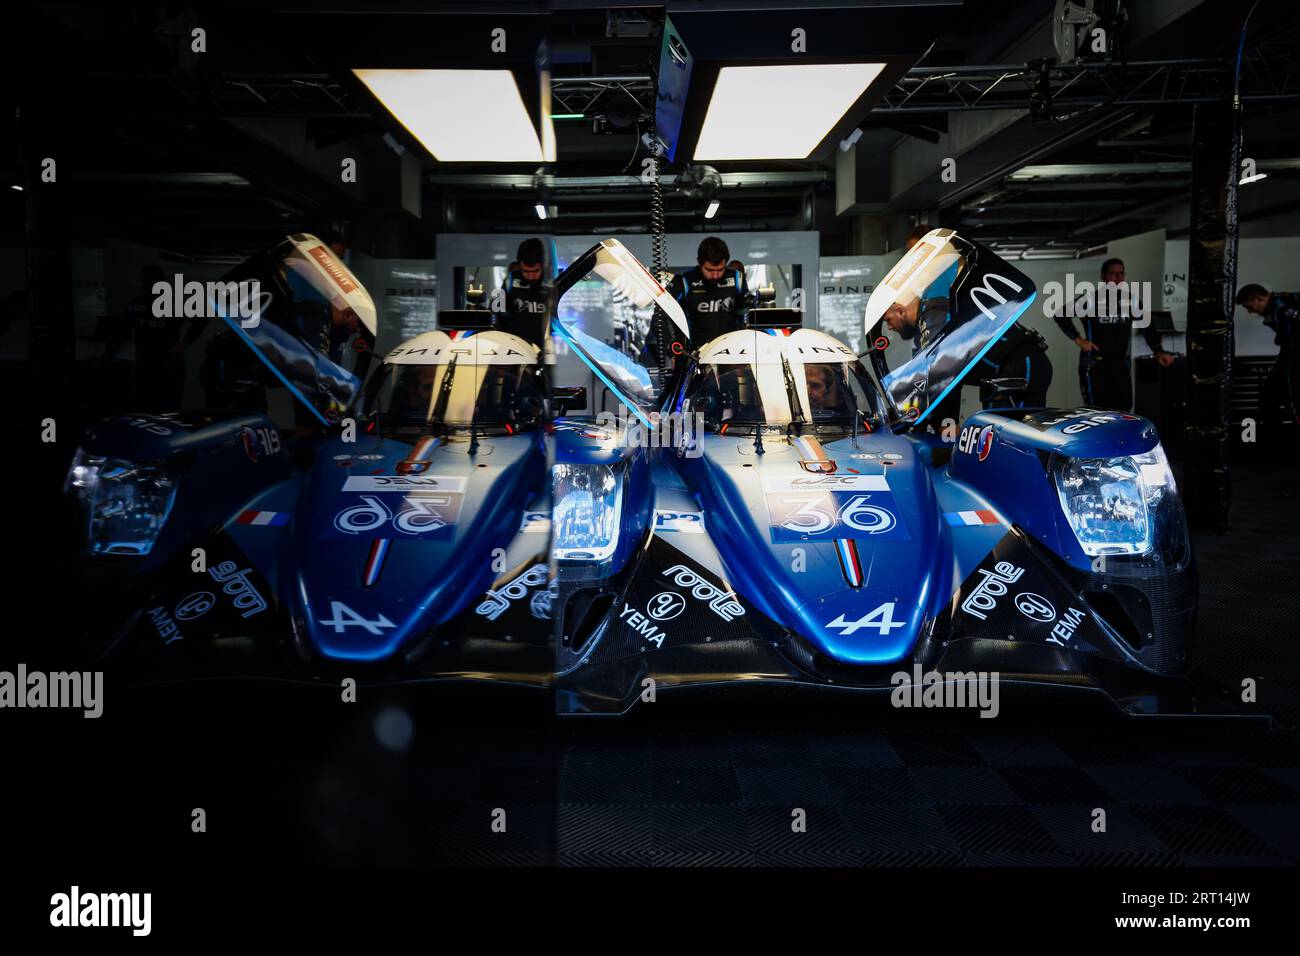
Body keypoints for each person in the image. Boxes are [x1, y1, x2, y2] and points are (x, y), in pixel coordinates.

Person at [1054, 257, 1175, 411]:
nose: (1117, 278)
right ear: (1103, 276)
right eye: (1113, 274)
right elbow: (1060, 315)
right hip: (1094, 364)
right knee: (1096, 410)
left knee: (1123, 408)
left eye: (1121, 274)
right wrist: (1078, 339)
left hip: (1120, 365)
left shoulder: (1130, 301)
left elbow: (1148, 326)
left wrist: (1159, 352)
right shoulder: (1090, 300)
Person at [1236, 283, 1300, 433]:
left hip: (1294, 355)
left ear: (1260, 299)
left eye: (1250, 307)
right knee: (1269, 396)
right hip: (1288, 353)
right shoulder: (1280, 299)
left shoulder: (1280, 309)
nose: (1250, 312)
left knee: (1291, 396)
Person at [667, 237, 750, 347]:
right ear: (699, 263)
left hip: (733, 350)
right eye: (709, 270)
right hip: (696, 352)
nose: (715, 275)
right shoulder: (685, 281)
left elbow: (745, 315)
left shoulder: (737, 278)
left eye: (720, 270)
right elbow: (667, 317)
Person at [498, 238, 551, 347]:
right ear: (520, 264)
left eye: (535, 271)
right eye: (525, 271)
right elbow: (498, 312)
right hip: (517, 348)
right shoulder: (510, 281)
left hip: (548, 348)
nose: (531, 276)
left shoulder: (553, 281)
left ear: (543, 265)